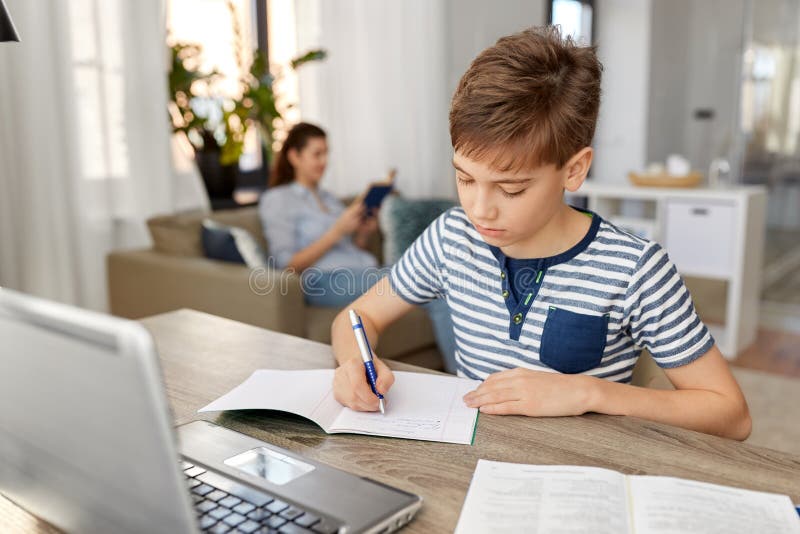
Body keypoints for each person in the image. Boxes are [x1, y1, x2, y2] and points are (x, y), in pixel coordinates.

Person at [329, 27, 752, 440]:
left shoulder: (635, 269)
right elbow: (356, 318)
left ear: (574, 170)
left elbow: (730, 413)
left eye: (511, 188)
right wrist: (353, 364)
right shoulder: (450, 237)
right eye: (465, 179)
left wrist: (589, 392)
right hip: (469, 468)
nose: (479, 209)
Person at [259, 123, 457, 368]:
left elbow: (353, 251)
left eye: (326, 153)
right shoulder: (277, 199)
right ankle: (464, 380)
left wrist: (363, 233)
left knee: (437, 279)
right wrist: (337, 231)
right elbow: (286, 264)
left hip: (359, 272)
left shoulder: (329, 198)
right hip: (322, 280)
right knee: (434, 285)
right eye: (316, 154)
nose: (324, 161)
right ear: (294, 156)